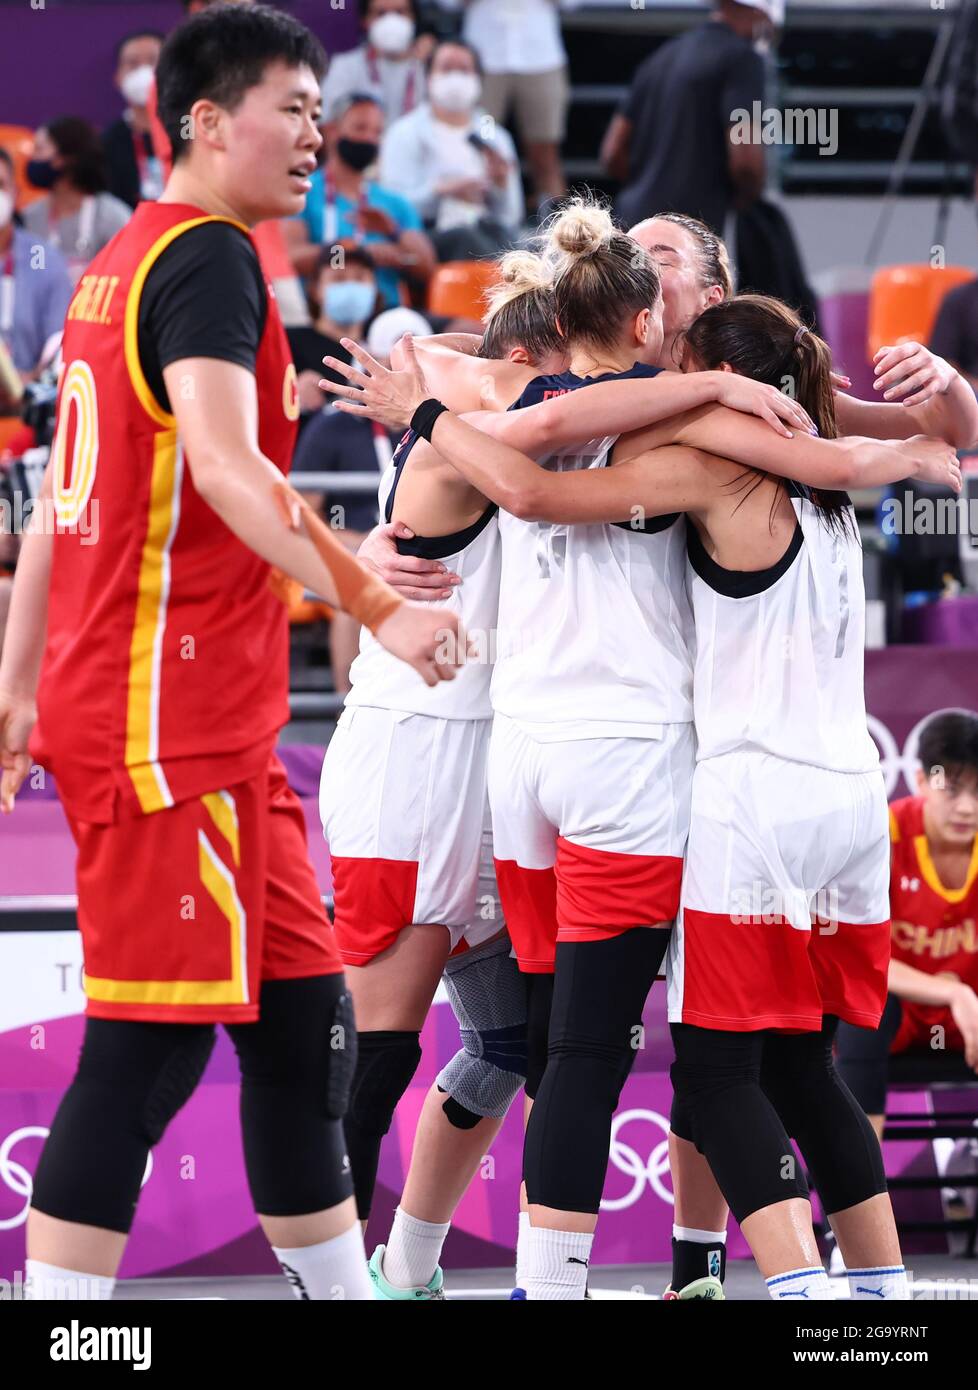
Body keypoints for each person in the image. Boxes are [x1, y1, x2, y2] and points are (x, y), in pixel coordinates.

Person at [324, 280, 965, 1300]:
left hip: (632, 775)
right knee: (793, 1062)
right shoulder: (808, 469)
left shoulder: (678, 454)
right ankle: (869, 1295)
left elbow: (521, 466)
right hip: (823, 792)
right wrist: (937, 430)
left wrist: (429, 424)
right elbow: (886, 444)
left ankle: (588, 1283)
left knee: (615, 1056)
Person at [0, 2, 463, 1304]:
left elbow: (60, 500)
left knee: (302, 1024)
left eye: (324, 110)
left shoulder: (128, 261)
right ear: (206, 121)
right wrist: (381, 607)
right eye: (293, 108)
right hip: (166, 724)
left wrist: (16, 687)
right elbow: (226, 468)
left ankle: (343, 1289)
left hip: (202, 720)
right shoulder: (205, 261)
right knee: (143, 1052)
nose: (316, 134)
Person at [836, 711, 978, 1140]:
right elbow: (859, 957)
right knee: (865, 1011)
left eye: (977, 791)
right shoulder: (885, 834)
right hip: (899, 1013)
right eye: (951, 790)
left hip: (969, 1019)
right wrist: (953, 991)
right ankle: (861, 1185)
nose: (967, 807)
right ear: (921, 781)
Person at [602, 0, 777, 233]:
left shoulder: (659, 59)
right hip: (689, 234)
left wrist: (652, 188)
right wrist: (748, 199)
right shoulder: (743, 60)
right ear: (760, 14)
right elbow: (746, 161)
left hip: (631, 224)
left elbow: (612, 153)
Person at [285, 92, 435, 309]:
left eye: (377, 132)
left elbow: (426, 269)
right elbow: (292, 260)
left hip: (386, 315)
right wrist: (353, 254)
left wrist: (394, 232)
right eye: (360, 128)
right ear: (332, 131)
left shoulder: (396, 203)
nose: (369, 139)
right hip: (322, 314)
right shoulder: (303, 191)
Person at [379, 39, 523, 261]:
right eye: (446, 68)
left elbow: (510, 216)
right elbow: (392, 209)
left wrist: (500, 186)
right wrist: (441, 191)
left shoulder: (494, 136)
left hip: (485, 229)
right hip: (428, 234)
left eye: (464, 70)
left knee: (524, 248)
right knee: (465, 239)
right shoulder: (404, 132)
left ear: (478, 79)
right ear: (429, 77)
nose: (455, 77)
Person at [437, 0, 569, 212]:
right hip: (485, 63)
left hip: (540, 60)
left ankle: (564, 232)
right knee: (483, 146)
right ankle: (484, 227)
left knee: (545, 153)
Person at [21, 119, 132, 285]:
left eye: (40, 149)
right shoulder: (30, 218)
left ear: (67, 158)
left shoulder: (114, 218)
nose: (32, 158)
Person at [0, 148, 73, 399]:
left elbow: (62, 344)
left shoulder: (42, 259)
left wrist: (29, 382)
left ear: (15, 193)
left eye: (1, 184)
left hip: (28, 406)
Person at [321, 0, 430, 124]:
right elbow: (327, 121)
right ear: (365, 21)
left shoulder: (429, 67)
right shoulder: (345, 67)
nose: (391, 21)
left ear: (414, 18)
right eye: (381, 13)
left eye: (400, 12)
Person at [102, 30, 166, 209]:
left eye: (153, 61)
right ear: (118, 78)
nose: (144, 72)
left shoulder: (189, 133)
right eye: (132, 63)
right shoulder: (106, 143)